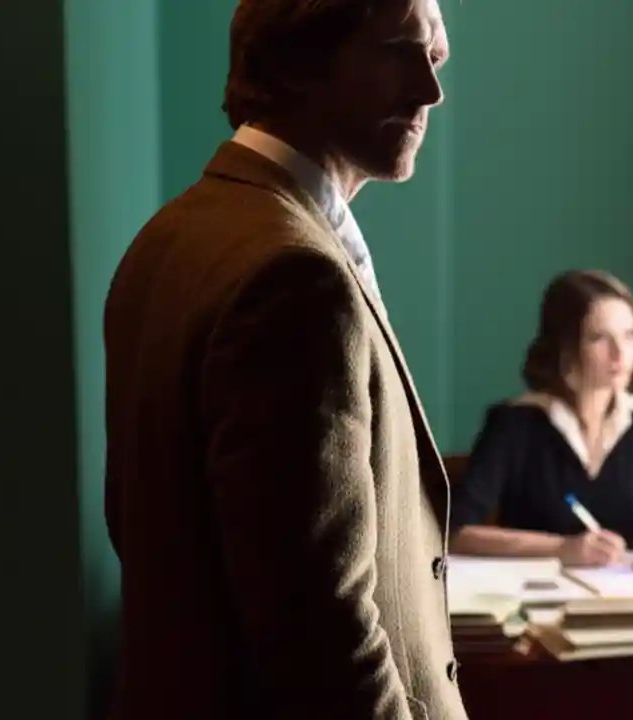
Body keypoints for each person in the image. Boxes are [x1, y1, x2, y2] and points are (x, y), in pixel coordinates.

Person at [102, 1, 467, 718]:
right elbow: (322, 639)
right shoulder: (294, 277)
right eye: (400, 50)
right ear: (299, 60)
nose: (430, 92)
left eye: (438, 59)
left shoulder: (171, 235)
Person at [449, 270, 633, 574]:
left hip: (621, 598)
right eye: (599, 338)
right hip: (533, 598)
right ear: (565, 347)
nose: (621, 353)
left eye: (629, 335)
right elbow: (458, 534)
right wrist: (561, 549)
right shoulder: (514, 423)